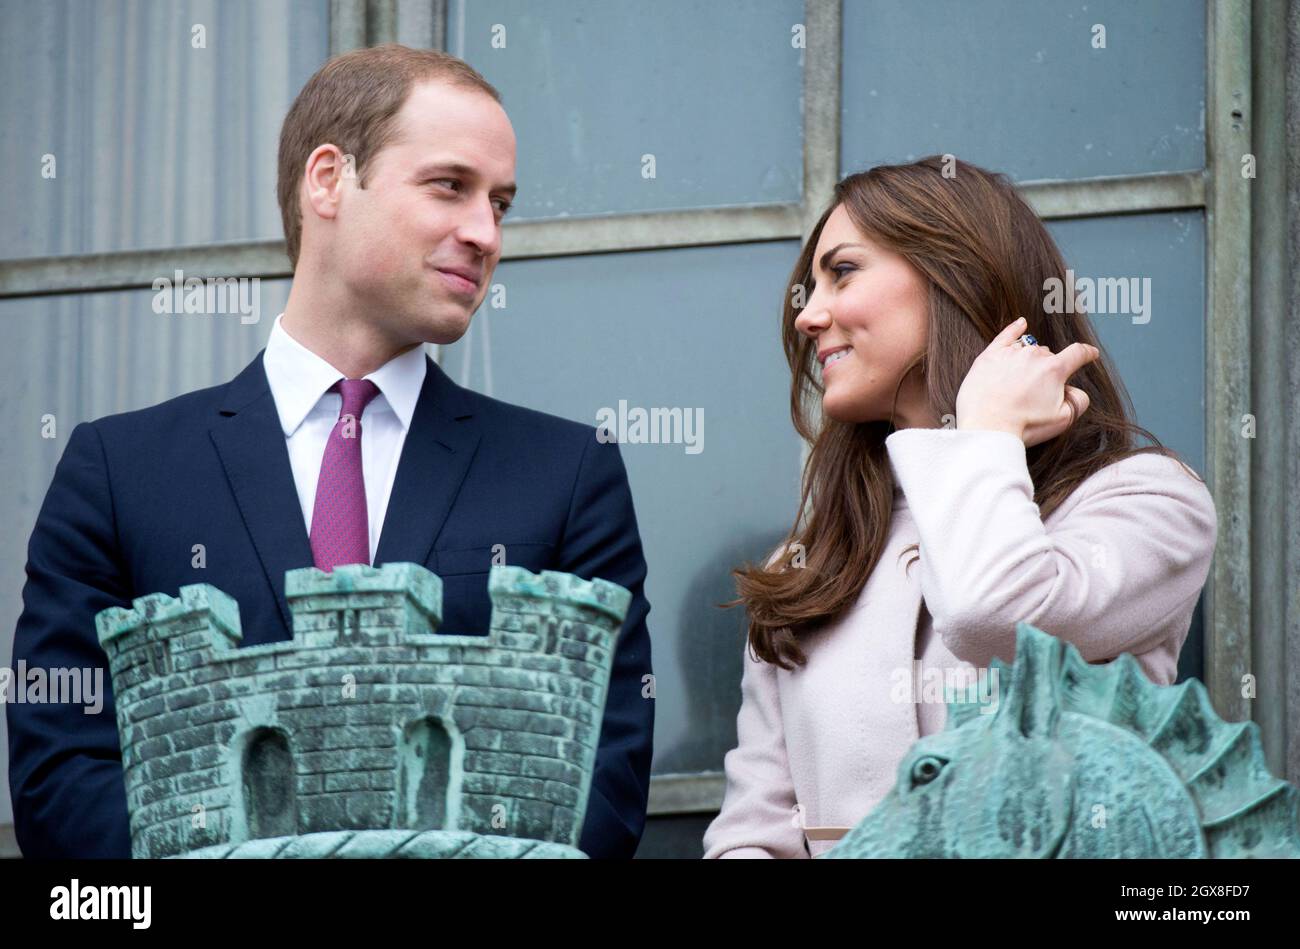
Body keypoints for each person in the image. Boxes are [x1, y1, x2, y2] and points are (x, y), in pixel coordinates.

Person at [8, 44, 654, 860]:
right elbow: (62, 778)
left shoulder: (568, 475)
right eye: (450, 185)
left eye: (502, 203)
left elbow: (599, 779)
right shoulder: (118, 472)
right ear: (328, 181)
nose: (485, 232)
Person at [702, 156, 1217, 859]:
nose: (807, 315)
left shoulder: (1148, 503)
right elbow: (750, 832)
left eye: (842, 271)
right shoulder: (807, 566)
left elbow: (989, 613)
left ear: (954, 273)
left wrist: (985, 431)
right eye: (807, 287)